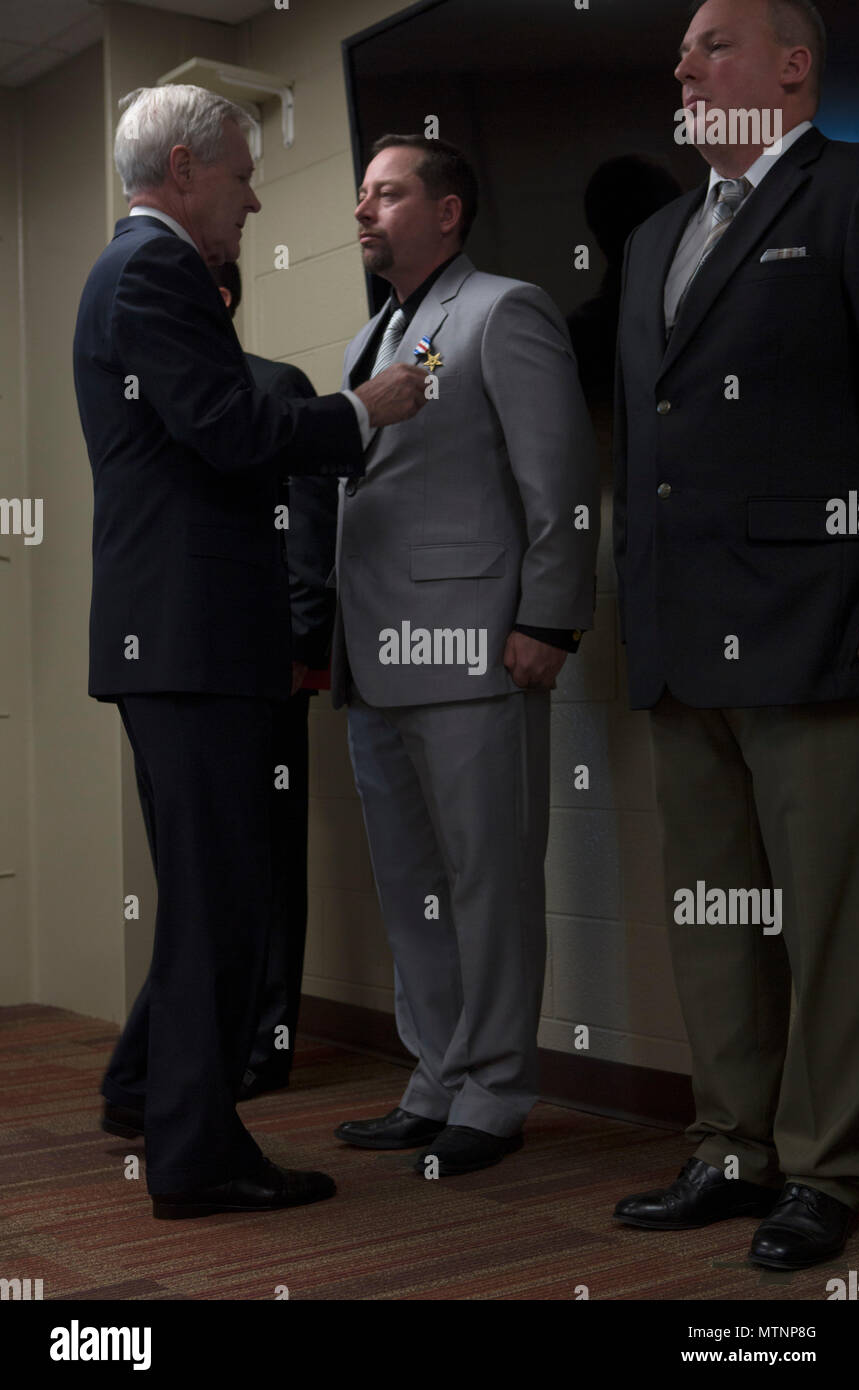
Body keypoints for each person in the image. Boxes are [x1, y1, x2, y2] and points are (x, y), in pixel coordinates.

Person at [73, 83, 426, 1220]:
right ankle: (196, 1156)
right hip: (192, 638)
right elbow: (230, 431)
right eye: (239, 175)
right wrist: (364, 410)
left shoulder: (136, 272)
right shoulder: (155, 270)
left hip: (166, 636)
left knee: (203, 890)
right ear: (184, 170)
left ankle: (143, 1087)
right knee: (221, 899)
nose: (255, 196)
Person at [612, 0, 859, 1269]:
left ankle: (824, 1170)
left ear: (790, 66)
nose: (684, 61)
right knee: (716, 913)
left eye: (713, 41)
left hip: (811, 625)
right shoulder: (658, 232)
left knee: (824, 922)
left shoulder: (848, 197)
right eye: (681, 48)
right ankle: (729, 1147)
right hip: (676, 637)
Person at [333, 135, 599, 1176]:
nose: (364, 211)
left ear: (446, 212)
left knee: (488, 880)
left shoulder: (506, 309)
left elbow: (560, 480)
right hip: (373, 659)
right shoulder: (370, 337)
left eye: (387, 194)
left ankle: (492, 1089)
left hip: (476, 652)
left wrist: (551, 619)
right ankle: (435, 1074)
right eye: (360, 195)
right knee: (413, 884)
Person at [212, 260, 337, 1101]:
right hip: (190, 668)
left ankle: (268, 1041)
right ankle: (216, 1036)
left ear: (217, 299)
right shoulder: (160, 399)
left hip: (269, 664)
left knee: (268, 857)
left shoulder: (274, 385)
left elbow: (308, 522)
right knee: (211, 861)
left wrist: (302, 638)